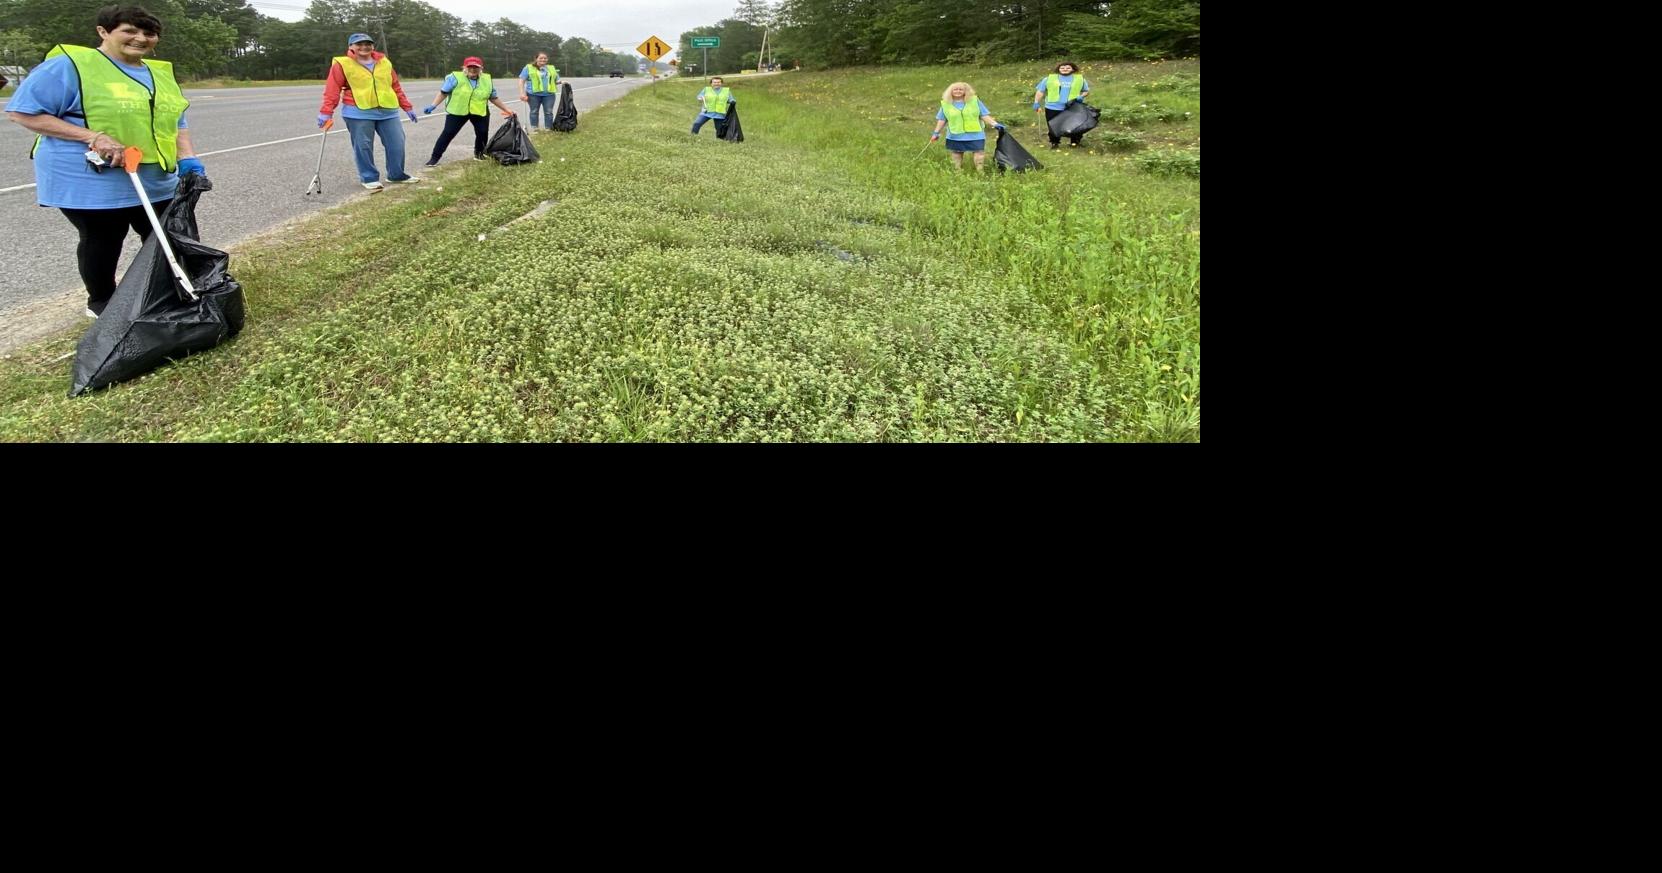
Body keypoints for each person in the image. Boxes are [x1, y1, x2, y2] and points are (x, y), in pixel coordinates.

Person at [4, 5, 204, 318]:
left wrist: (188, 158)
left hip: (152, 174)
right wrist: (92, 136)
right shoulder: (71, 66)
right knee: (104, 238)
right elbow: (23, 112)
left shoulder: (160, 73)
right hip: (90, 175)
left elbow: (176, 121)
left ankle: (165, 292)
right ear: (103, 31)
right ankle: (102, 304)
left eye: (148, 33)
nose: (140, 38)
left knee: (167, 236)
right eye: (129, 31)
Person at [318, 33, 421, 191]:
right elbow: (332, 90)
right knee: (363, 146)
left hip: (388, 110)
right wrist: (326, 112)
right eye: (359, 44)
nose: (364, 47)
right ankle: (369, 177)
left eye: (368, 44)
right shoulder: (342, 63)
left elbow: (395, 85)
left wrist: (407, 106)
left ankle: (396, 174)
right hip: (358, 111)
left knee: (397, 143)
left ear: (372, 46)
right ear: (351, 47)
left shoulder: (384, 62)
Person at [423, 57, 517, 166]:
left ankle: (479, 154)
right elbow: (443, 93)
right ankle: (434, 158)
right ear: (464, 68)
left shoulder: (486, 79)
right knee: (448, 133)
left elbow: (493, 97)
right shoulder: (455, 78)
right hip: (458, 111)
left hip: (479, 110)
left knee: (482, 132)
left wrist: (507, 110)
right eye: (470, 67)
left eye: (476, 67)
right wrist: (433, 105)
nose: (473, 69)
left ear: (481, 68)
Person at [930, 82, 1003, 171]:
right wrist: (936, 133)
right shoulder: (946, 104)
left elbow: (984, 115)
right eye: (955, 89)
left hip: (976, 134)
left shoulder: (975, 101)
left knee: (979, 152)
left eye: (961, 89)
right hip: (955, 134)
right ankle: (957, 171)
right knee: (957, 153)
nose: (958, 91)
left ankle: (980, 172)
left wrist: (995, 124)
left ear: (966, 91)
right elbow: (942, 120)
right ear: (950, 91)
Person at [1032, 61, 1091, 150]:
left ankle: (1075, 143)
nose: (1065, 69)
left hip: (1073, 107)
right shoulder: (1048, 79)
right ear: (1058, 69)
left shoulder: (1080, 79)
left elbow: (1086, 91)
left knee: (1076, 125)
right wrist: (1036, 102)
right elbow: (1040, 91)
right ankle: (1054, 144)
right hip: (1052, 107)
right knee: (1053, 126)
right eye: (1062, 68)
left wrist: (1081, 96)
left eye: (1068, 68)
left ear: (1073, 69)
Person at [519, 52, 559, 131]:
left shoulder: (551, 68)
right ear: (536, 58)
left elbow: (556, 80)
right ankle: (535, 129)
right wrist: (522, 93)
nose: (543, 59)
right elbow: (521, 81)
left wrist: (563, 82)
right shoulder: (528, 67)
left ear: (547, 59)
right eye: (541, 58)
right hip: (533, 95)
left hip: (549, 94)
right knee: (534, 111)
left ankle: (548, 128)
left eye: (545, 58)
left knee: (549, 112)